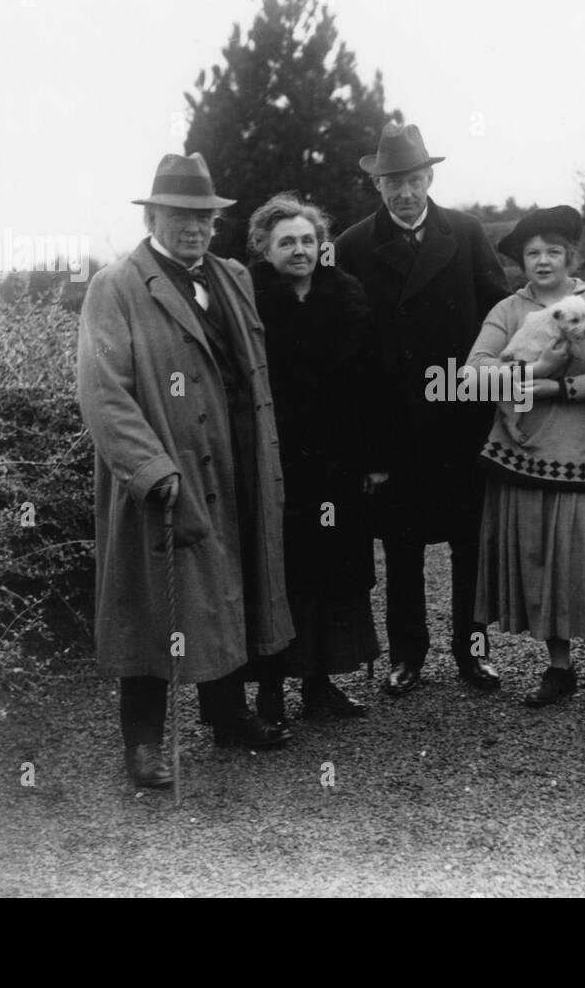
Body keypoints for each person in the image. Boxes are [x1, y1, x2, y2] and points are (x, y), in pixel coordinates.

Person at [77, 152, 294, 790]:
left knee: (227, 589)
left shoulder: (231, 277)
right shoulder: (115, 286)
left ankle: (228, 718)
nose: (194, 227)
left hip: (234, 460)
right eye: (180, 215)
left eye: (204, 217)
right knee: (151, 606)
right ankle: (143, 746)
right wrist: (149, 468)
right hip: (164, 469)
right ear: (153, 216)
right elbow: (102, 392)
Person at [335, 122, 510, 696]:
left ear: (430, 177)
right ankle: (407, 655)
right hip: (395, 422)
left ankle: (472, 652)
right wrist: (369, 443)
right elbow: (351, 348)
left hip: (461, 417)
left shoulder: (465, 231)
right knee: (402, 545)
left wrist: (494, 402)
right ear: (378, 186)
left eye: (413, 179)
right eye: (393, 182)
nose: (404, 192)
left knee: (469, 543)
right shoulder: (354, 245)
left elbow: (500, 318)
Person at [467, 206, 585, 708]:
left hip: (579, 454)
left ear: (571, 255)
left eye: (553, 251)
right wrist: (525, 379)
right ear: (521, 261)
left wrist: (556, 387)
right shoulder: (508, 310)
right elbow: (474, 374)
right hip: (520, 456)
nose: (543, 261)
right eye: (532, 253)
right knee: (539, 559)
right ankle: (559, 667)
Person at [247, 192, 387, 727]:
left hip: (339, 465)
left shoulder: (347, 296)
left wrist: (375, 458)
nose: (300, 250)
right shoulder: (251, 304)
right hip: (278, 465)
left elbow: (373, 384)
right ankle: (270, 695)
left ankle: (318, 686)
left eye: (308, 240)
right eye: (287, 242)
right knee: (281, 577)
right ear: (265, 248)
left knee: (333, 575)